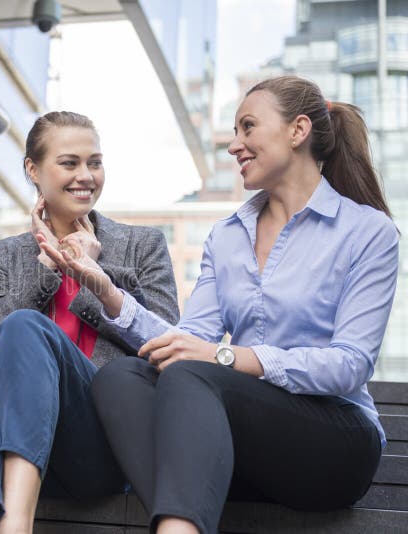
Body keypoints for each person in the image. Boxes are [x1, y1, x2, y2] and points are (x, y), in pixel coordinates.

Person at [40, 75, 399, 534]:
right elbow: (187, 343)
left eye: (247, 127)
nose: (235, 145)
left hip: (334, 441)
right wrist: (105, 289)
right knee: (121, 378)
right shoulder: (228, 235)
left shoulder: (368, 232)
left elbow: (350, 365)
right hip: (243, 443)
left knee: (193, 373)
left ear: (298, 130)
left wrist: (228, 357)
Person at [0, 111, 179, 534]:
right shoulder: (10, 254)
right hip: (8, 439)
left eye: (94, 162)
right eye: (70, 163)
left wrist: (93, 274)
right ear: (33, 169)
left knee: (28, 328)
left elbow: (165, 347)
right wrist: (44, 266)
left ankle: (16, 524)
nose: (86, 175)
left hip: (97, 442)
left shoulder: (143, 245)